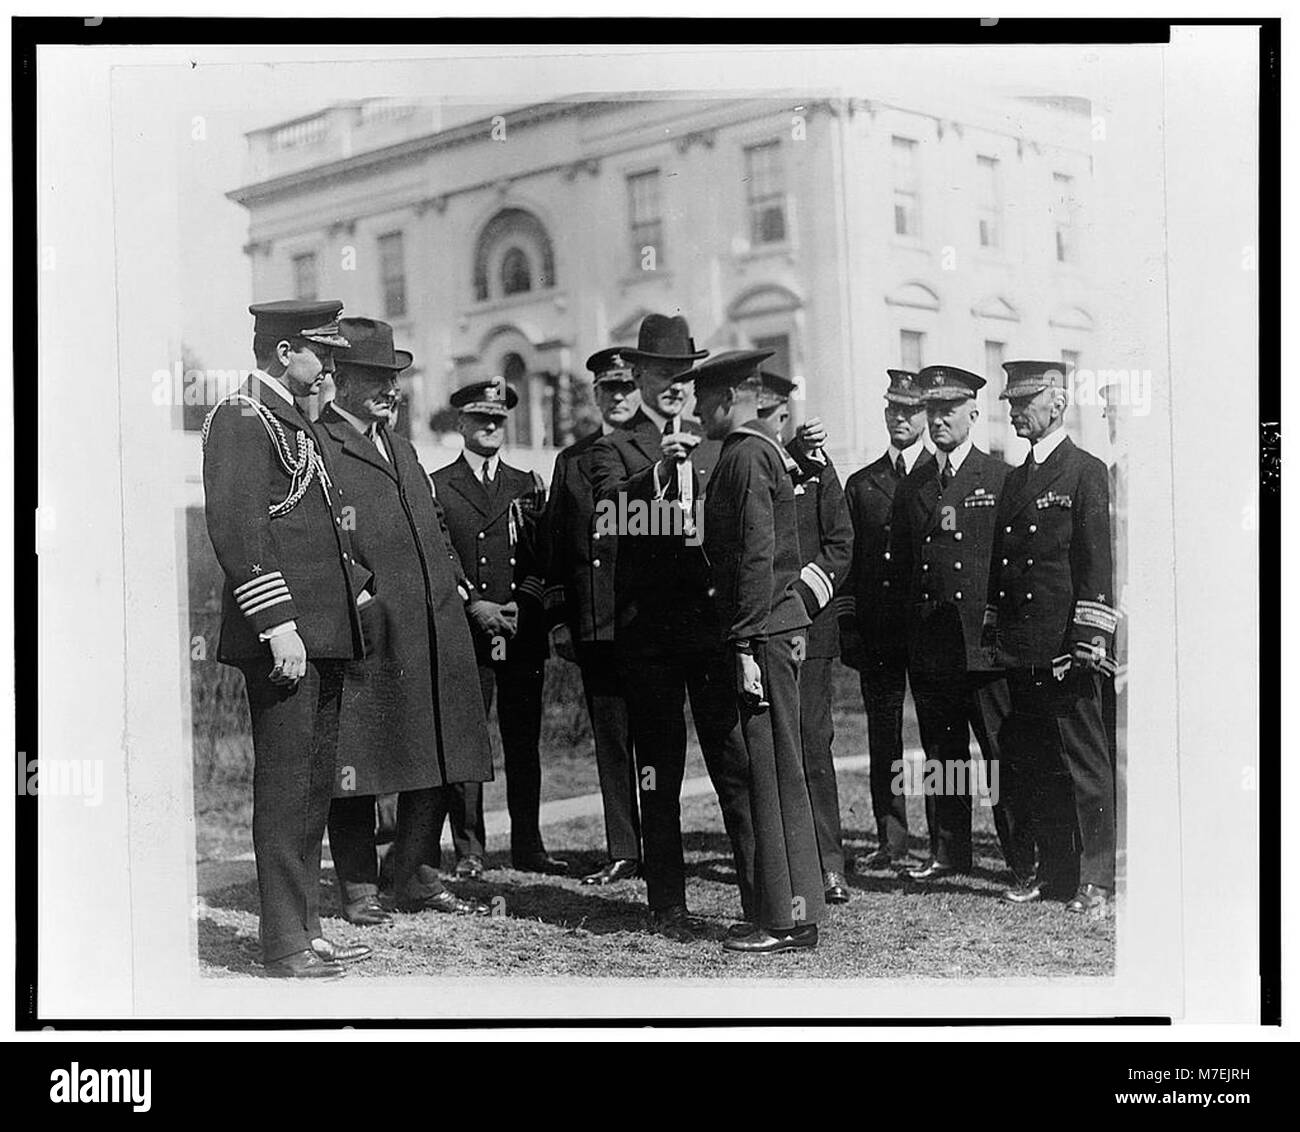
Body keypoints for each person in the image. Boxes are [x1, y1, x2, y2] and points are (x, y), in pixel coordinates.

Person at [201, 299, 373, 978]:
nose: (329, 365)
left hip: (319, 631)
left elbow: (315, 526)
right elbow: (240, 531)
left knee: (311, 787)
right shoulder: (243, 418)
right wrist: (277, 625)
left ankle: (305, 927)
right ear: (282, 352)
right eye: (320, 353)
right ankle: (282, 944)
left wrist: (354, 591)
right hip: (286, 634)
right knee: (285, 789)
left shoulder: (291, 420)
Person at [316, 318, 492, 920]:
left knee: (441, 751)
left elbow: (434, 523)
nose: (391, 389)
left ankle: (417, 872)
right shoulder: (319, 444)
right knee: (358, 762)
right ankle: (360, 888)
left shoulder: (405, 446)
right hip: (372, 628)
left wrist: (453, 575)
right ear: (341, 380)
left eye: (394, 378)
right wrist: (359, 595)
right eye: (375, 378)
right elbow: (320, 536)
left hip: (435, 625)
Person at [588, 313, 755, 943]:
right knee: (657, 770)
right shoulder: (616, 448)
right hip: (650, 638)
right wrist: (657, 473)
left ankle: (756, 894)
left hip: (711, 633)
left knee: (732, 764)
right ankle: (667, 903)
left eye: (684, 374)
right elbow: (607, 519)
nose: (675, 386)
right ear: (641, 379)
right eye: (661, 375)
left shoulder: (721, 443)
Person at [693, 350, 824, 954]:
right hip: (772, 628)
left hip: (762, 633)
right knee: (779, 771)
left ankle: (781, 919)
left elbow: (754, 557)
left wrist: (742, 643)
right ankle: (792, 912)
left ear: (726, 401)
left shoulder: (744, 456)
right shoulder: (765, 452)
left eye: (701, 401)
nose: (696, 412)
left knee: (770, 773)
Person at [889, 365, 1033, 885]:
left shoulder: (1001, 477)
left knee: (1000, 755)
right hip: (933, 645)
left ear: (974, 413)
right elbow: (904, 565)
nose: (939, 419)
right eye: (932, 410)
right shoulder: (915, 484)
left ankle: (1023, 861)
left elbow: (1015, 563)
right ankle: (949, 852)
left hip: (982, 642)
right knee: (941, 755)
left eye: (949, 409)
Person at [983, 360, 1117, 914]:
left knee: (1084, 764)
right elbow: (1002, 566)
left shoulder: (1085, 470)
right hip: (1023, 646)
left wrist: (1089, 634)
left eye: (1023, 403)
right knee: (1038, 765)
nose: (1013, 413)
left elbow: (1095, 560)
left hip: (1067, 644)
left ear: (1056, 403)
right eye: (1010, 404)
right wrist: (997, 635)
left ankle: (1098, 879)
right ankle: (1057, 873)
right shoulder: (1015, 476)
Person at [431, 378, 568, 877]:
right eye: (479, 418)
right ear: (462, 423)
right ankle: (470, 850)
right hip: (468, 631)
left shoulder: (527, 482)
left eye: (497, 419)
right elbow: (442, 555)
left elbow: (543, 555)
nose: (489, 426)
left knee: (523, 740)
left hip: (520, 630)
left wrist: (521, 605)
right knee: (469, 742)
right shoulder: (438, 484)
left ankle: (528, 844)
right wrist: (476, 606)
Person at [542, 348, 642, 885]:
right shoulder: (572, 460)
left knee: (655, 737)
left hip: (647, 621)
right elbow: (557, 544)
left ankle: (662, 846)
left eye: (628, 387)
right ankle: (624, 847)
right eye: (610, 389)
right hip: (597, 623)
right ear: (597, 395)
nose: (620, 397)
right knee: (610, 738)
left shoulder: (657, 449)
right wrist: (561, 618)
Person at [839, 370, 934, 871]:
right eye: (893, 410)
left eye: (911, 410)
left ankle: (944, 841)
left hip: (930, 633)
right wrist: (849, 625)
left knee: (940, 738)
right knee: (883, 737)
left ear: (926, 416)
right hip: (879, 634)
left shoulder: (940, 478)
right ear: (884, 414)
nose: (901, 418)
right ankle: (891, 837)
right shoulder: (862, 484)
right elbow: (848, 565)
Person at [767, 388, 854, 905]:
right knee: (767, 750)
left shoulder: (817, 473)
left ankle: (828, 864)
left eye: (780, 415)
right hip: (756, 632)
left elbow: (840, 544)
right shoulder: (742, 466)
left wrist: (800, 598)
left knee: (812, 745)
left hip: (808, 630)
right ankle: (780, 863)